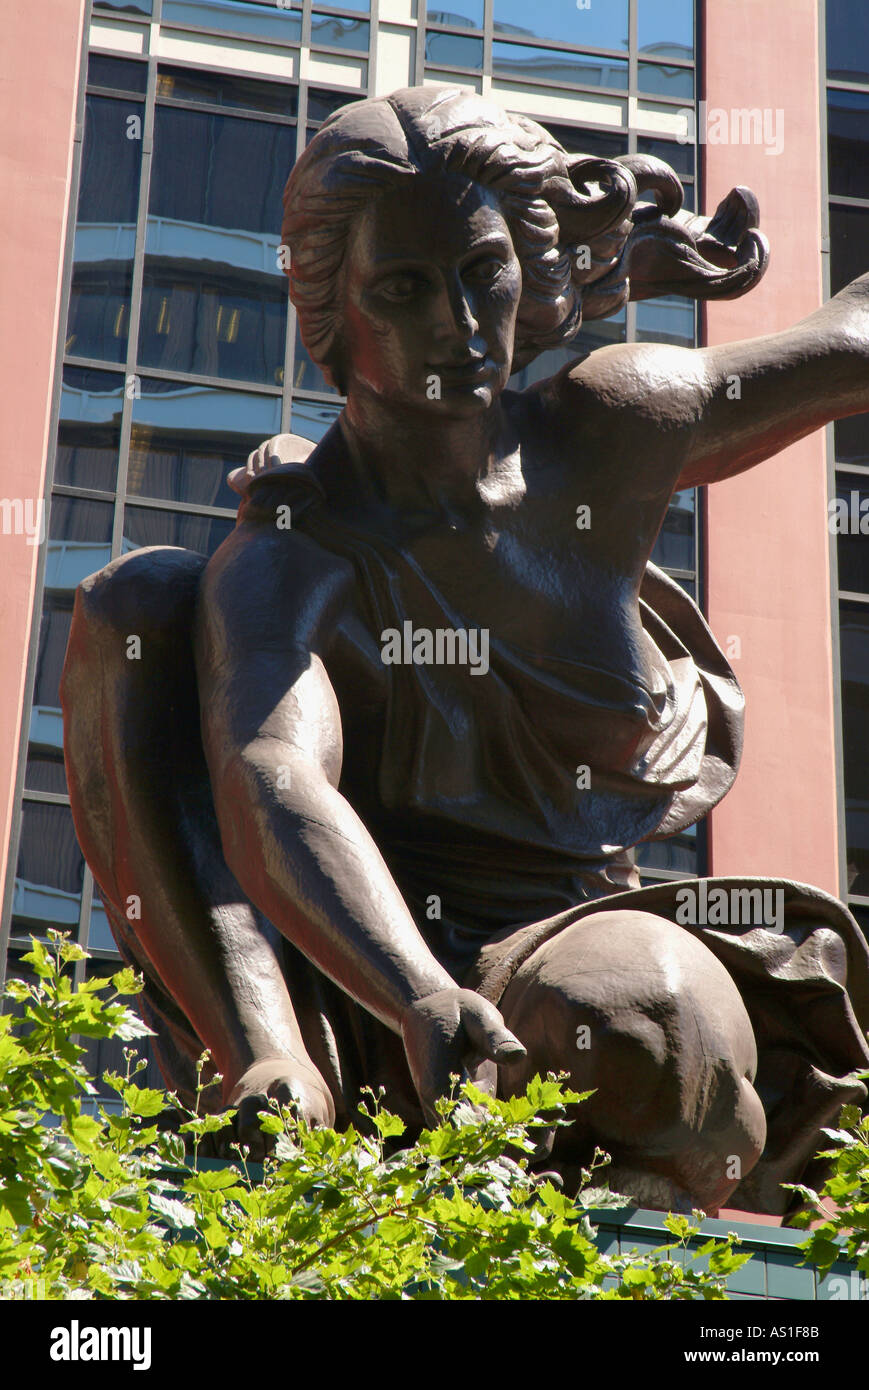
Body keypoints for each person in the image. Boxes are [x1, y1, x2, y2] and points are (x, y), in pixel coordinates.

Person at [63, 86, 869, 1215]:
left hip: (557, 944)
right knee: (137, 605)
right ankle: (269, 1064)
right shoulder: (294, 548)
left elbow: (850, 343)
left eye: (482, 272)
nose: (456, 322)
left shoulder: (612, 424)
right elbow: (271, 775)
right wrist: (416, 996)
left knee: (649, 1027)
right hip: (354, 976)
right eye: (402, 289)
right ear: (332, 310)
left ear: (528, 272)